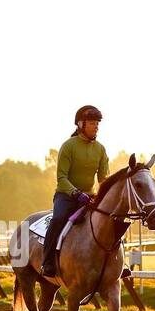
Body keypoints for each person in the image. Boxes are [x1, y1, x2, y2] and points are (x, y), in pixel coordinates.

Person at [41, 104, 109, 277]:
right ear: (80, 125)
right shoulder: (68, 146)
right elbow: (61, 178)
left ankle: (115, 263)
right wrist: (77, 194)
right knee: (57, 219)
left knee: (111, 219)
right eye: (92, 122)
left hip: (90, 196)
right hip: (66, 196)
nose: (96, 126)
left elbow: (103, 179)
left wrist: (107, 195)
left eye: (97, 123)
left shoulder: (101, 149)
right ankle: (47, 262)